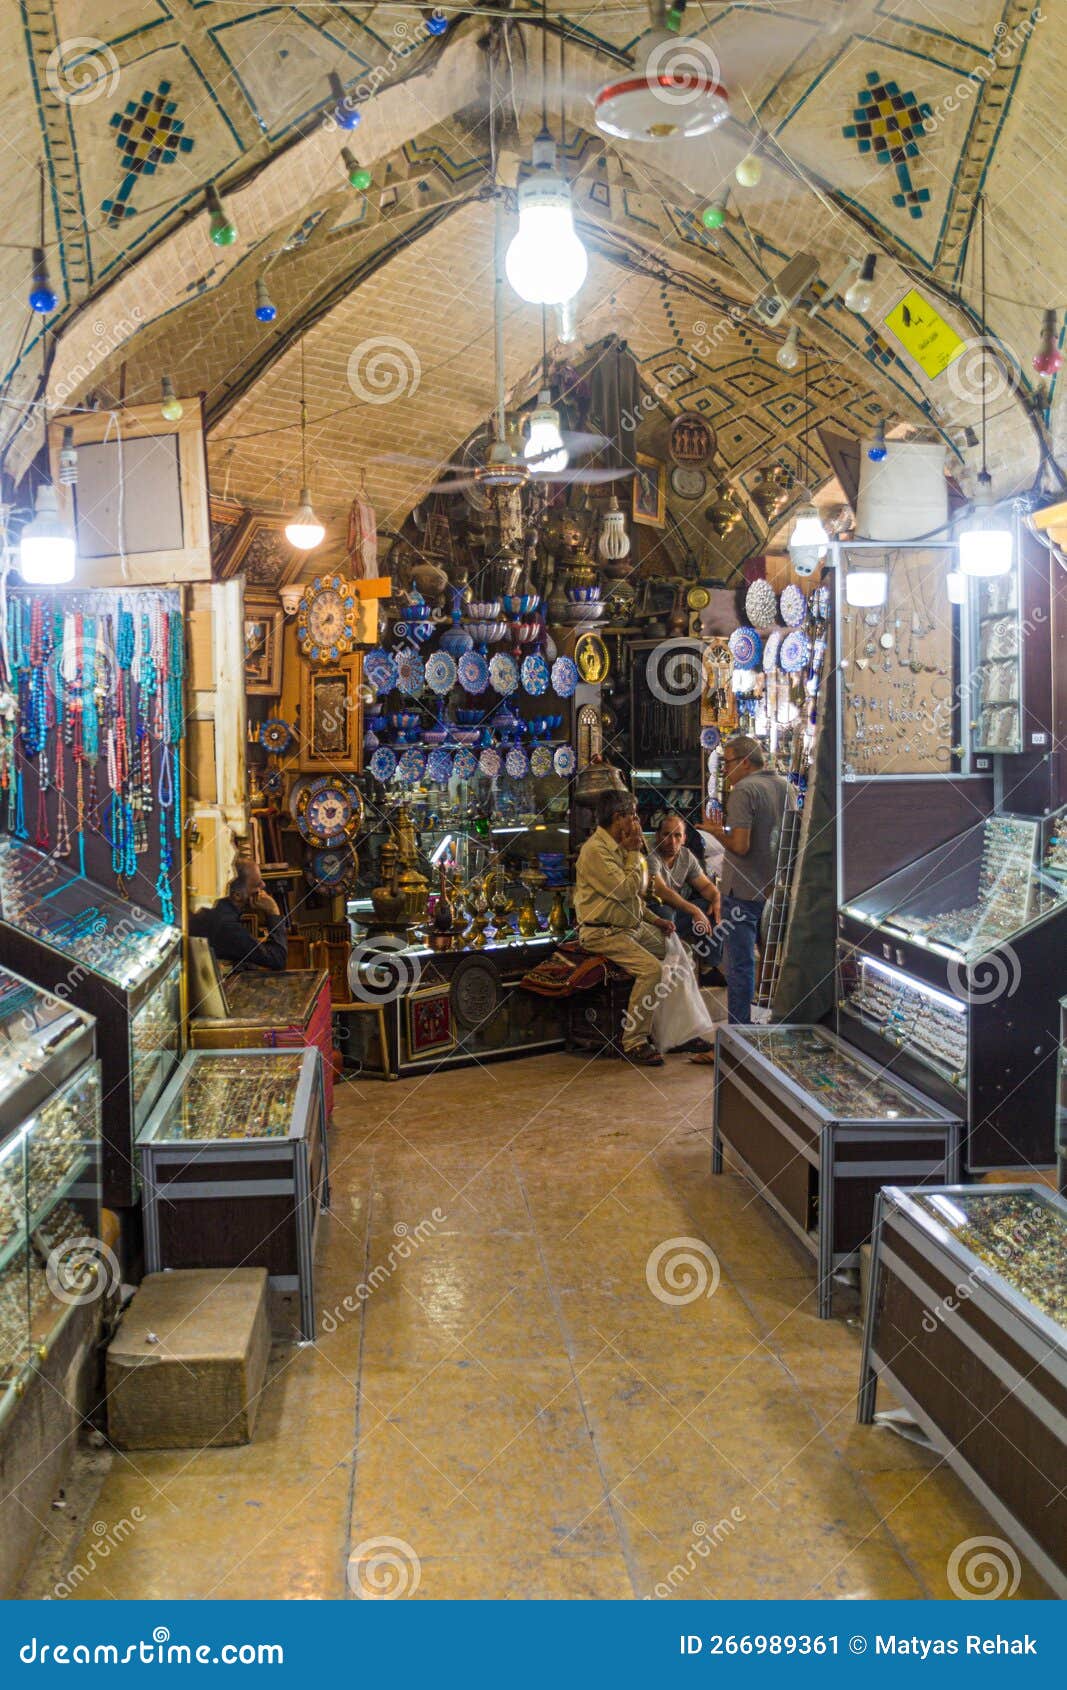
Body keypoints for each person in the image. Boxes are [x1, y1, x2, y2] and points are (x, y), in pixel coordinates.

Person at [700, 735, 796, 1037]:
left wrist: (716, 831)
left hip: (742, 891)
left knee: (740, 965)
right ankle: (771, 1023)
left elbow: (740, 845)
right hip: (775, 889)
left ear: (743, 761)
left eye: (727, 762)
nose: (725, 769)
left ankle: (739, 1033)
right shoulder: (787, 787)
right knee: (772, 960)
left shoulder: (744, 790)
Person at [574, 789, 674, 1067]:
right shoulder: (595, 851)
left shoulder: (620, 846)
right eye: (633, 815)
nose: (637, 821)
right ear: (619, 818)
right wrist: (633, 853)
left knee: (679, 952)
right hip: (603, 933)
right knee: (651, 969)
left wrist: (656, 921)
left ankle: (675, 1031)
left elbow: (636, 901)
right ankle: (634, 1041)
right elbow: (626, 890)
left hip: (631, 927)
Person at [188, 859, 289, 979]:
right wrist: (273, 912)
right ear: (237, 895)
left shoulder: (215, 906)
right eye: (257, 884)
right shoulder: (227, 926)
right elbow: (277, 959)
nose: (263, 885)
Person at [648, 812, 722, 966]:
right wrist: (694, 910)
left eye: (677, 836)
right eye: (667, 835)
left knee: (711, 909)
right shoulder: (650, 855)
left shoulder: (686, 856)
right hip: (653, 913)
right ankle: (670, 968)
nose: (672, 841)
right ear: (657, 836)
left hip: (676, 910)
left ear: (684, 839)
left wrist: (716, 898)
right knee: (667, 912)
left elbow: (706, 886)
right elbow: (661, 891)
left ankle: (710, 967)